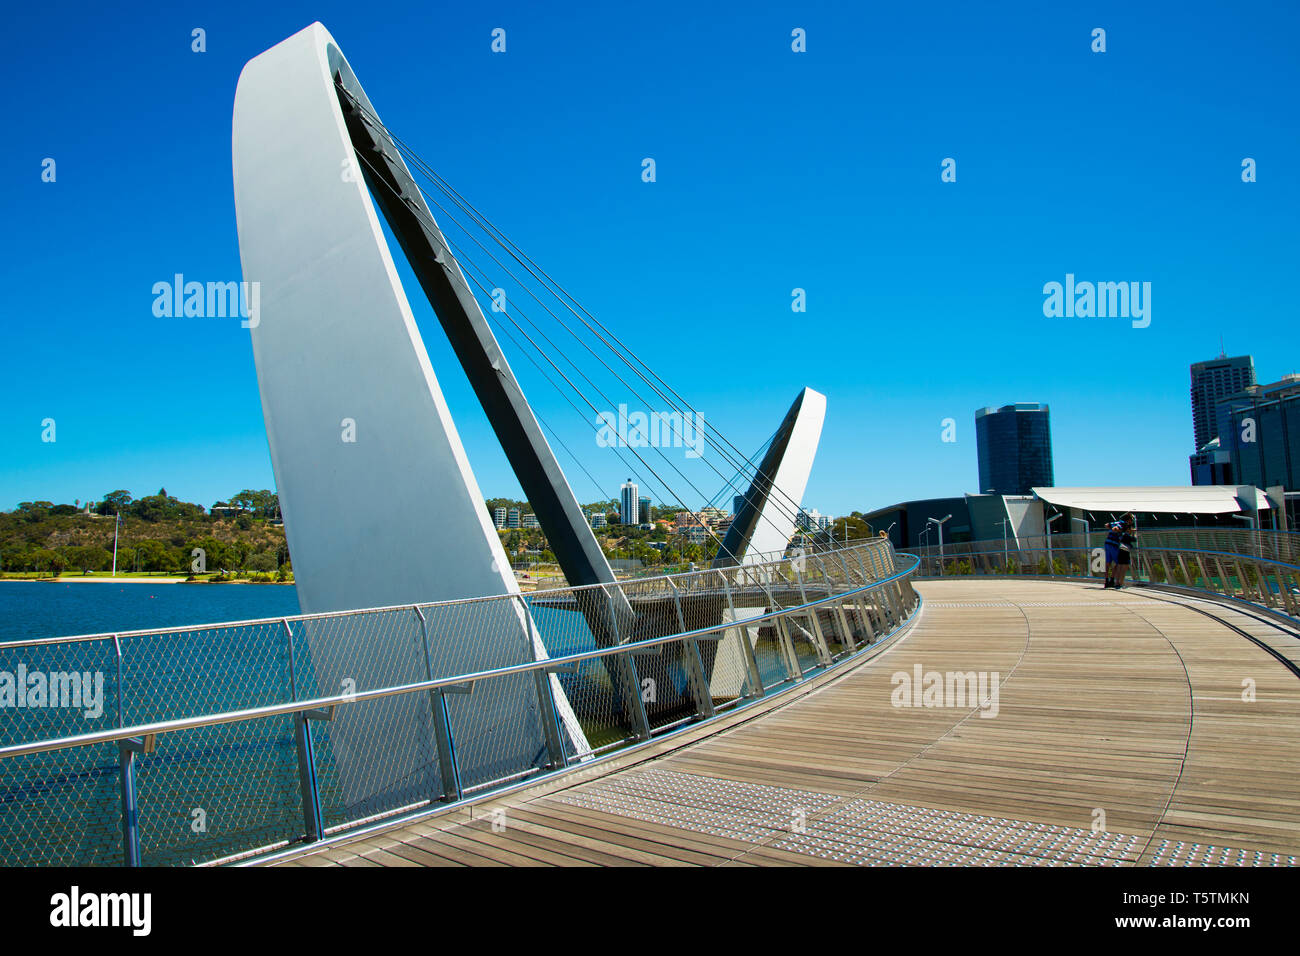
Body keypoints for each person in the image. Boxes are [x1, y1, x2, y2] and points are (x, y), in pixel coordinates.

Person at [1113, 517, 1137, 589]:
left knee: (1119, 567)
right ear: (1128, 529)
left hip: (1119, 550)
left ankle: (1117, 582)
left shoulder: (1121, 534)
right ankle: (1121, 583)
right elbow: (1134, 539)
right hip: (1125, 551)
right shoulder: (1126, 535)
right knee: (1124, 567)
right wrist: (1134, 533)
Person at [1103, 518, 1124, 588]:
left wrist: (1111, 527)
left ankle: (1106, 581)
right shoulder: (1122, 524)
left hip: (1107, 543)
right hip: (1114, 545)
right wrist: (1117, 530)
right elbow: (1116, 528)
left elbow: (1106, 525)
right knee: (1118, 563)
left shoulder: (1115, 522)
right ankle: (1112, 580)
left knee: (1107, 563)